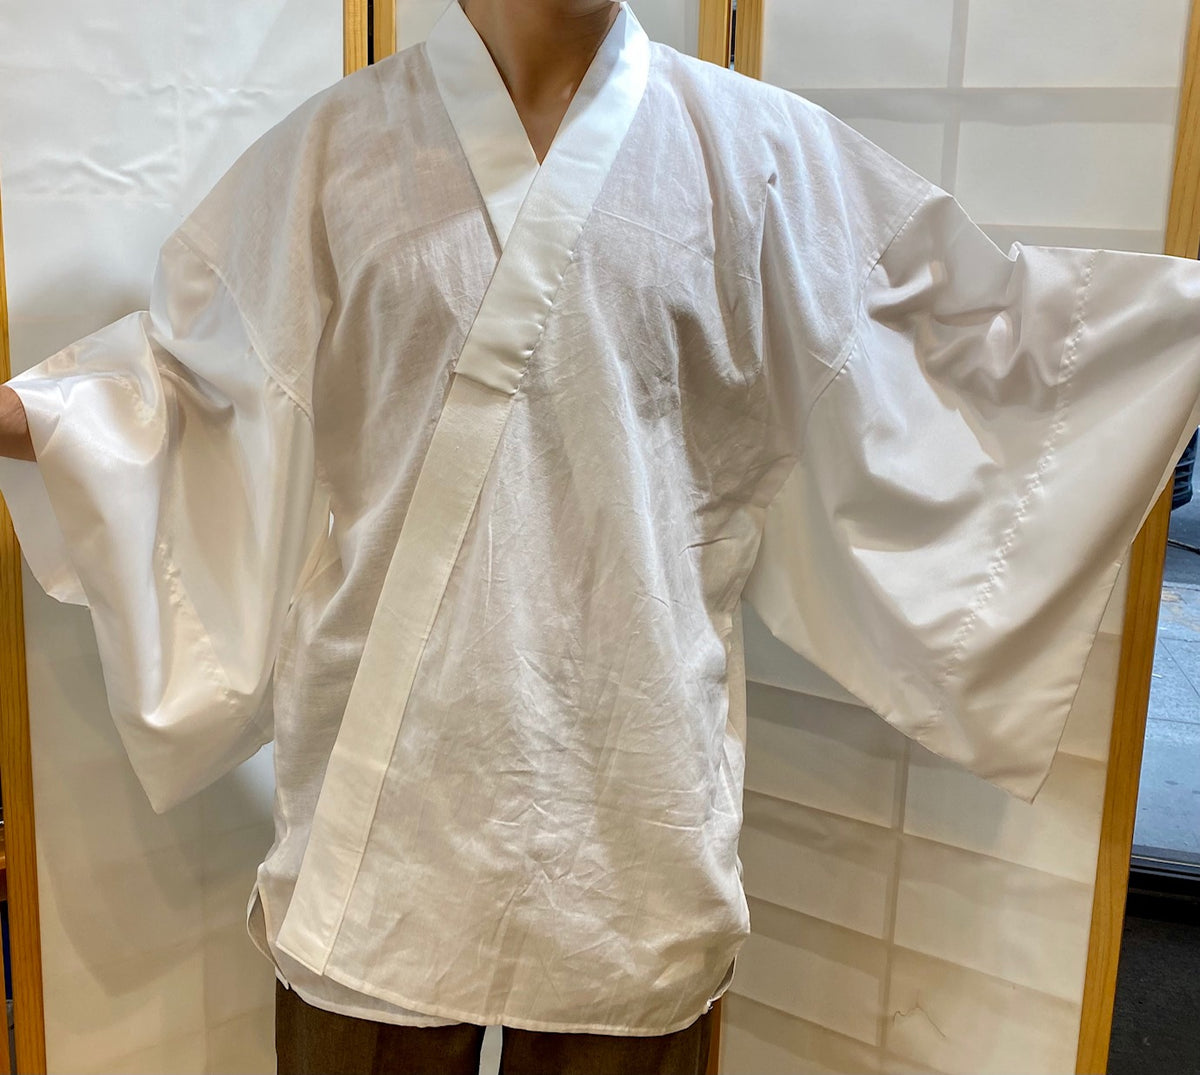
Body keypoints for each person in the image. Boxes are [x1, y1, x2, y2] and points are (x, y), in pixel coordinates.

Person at [1, 0, 1198, 1071]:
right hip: (383, 819)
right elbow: (189, 402)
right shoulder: (326, 157)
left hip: (632, 818)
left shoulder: (762, 160)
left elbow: (970, 355)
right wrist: (39, 422)